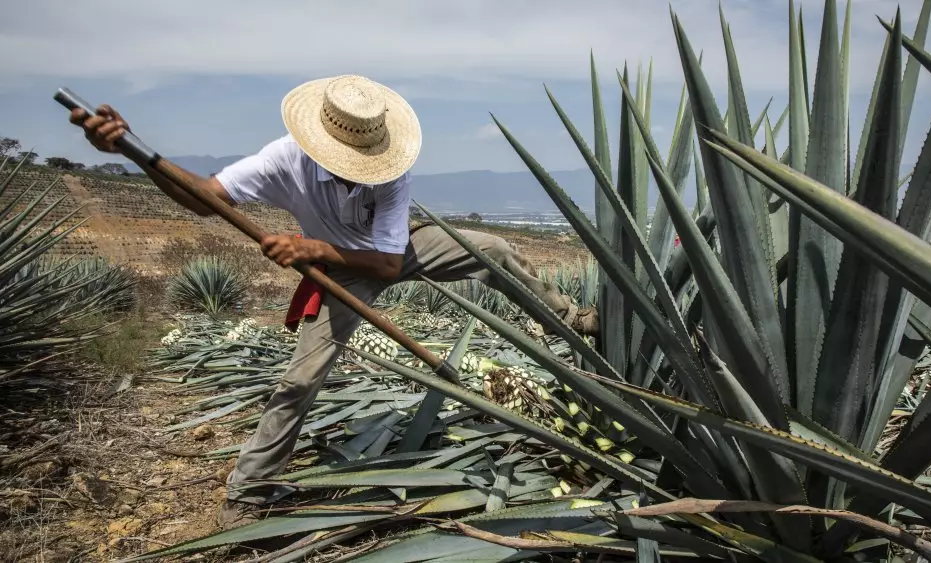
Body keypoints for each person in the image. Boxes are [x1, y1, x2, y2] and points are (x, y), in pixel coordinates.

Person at [70, 74, 599, 529]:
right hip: (341, 278)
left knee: (495, 249)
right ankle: (250, 489)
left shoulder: (391, 170)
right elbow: (207, 200)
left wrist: (316, 245)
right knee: (301, 378)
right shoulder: (283, 159)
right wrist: (134, 152)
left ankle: (572, 319)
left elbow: (390, 264)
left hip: (392, 254)